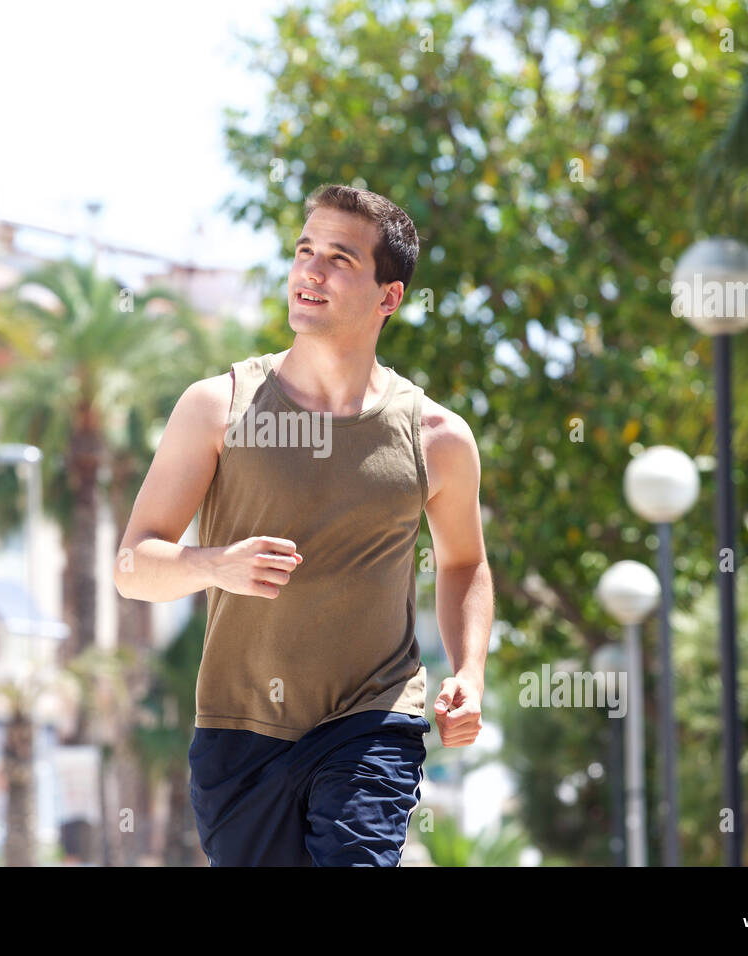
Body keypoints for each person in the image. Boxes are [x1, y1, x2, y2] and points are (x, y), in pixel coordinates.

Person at [116, 183, 493, 866]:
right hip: (239, 731)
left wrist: (470, 670)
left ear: (389, 296)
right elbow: (133, 566)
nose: (310, 272)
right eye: (304, 251)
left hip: (372, 719)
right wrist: (214, 564)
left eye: (340, 259)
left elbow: (464, 562)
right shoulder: (217, 406)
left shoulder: (437, 436)